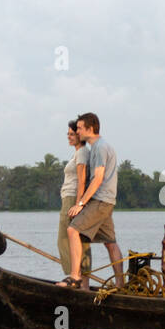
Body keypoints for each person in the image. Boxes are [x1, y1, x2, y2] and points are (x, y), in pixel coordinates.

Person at [59, 112, 124, 288]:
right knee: (110, 243)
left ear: (90, 128)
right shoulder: (99, 147)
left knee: (73, 230)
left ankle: (75, 276)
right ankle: (120, 284)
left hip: (100, 200)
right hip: (107, 201)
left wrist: (80, 204)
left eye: (79, 128)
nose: (77, 131)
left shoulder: (99, 147)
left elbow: (98, 178)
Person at [56, 120, 92, 281]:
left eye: (72, 134)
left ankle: (75, 276)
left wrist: (79, 204)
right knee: (75, 239)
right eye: (68, 134)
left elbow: (82, 180)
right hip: (69, 198)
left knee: (65, 238)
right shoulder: (78, 153)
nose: (69, 137)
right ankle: (79, 278)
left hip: (72, 199)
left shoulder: (82, 152)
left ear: (79, 136)